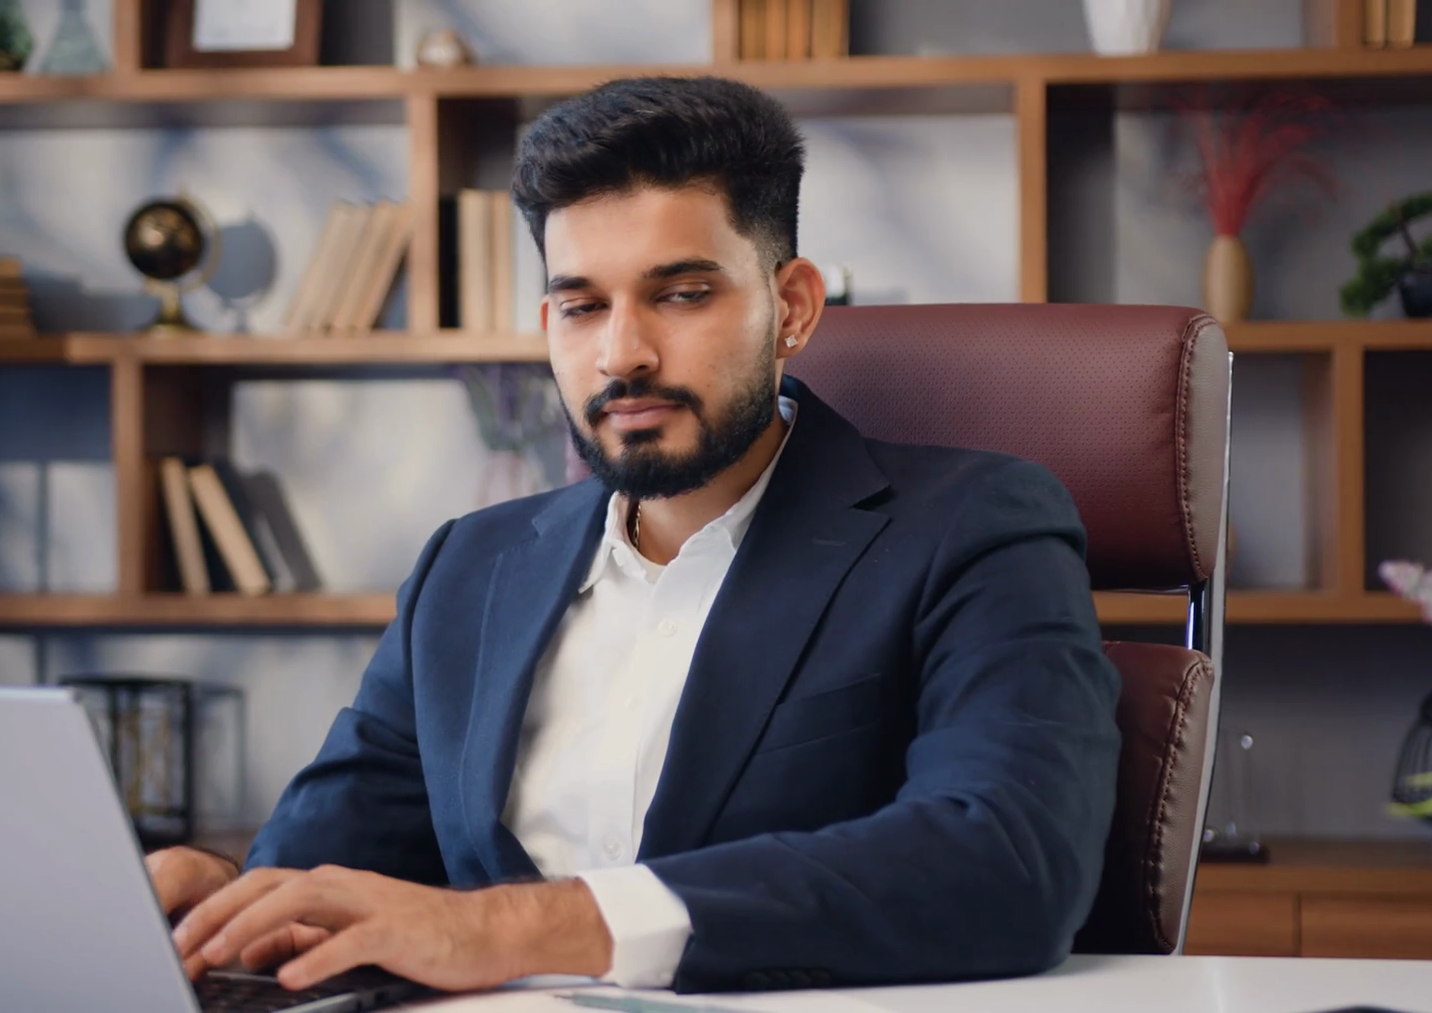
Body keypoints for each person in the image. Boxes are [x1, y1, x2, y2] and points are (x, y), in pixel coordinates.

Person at [149, 74, 1121, 996]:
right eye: (582, 306)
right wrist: (227, 899)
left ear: (791, 306)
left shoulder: (972, 525)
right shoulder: (470, 567)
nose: (622, 353)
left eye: (682, 293)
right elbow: (331, 870)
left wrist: (515, 928)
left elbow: (1007, 859)